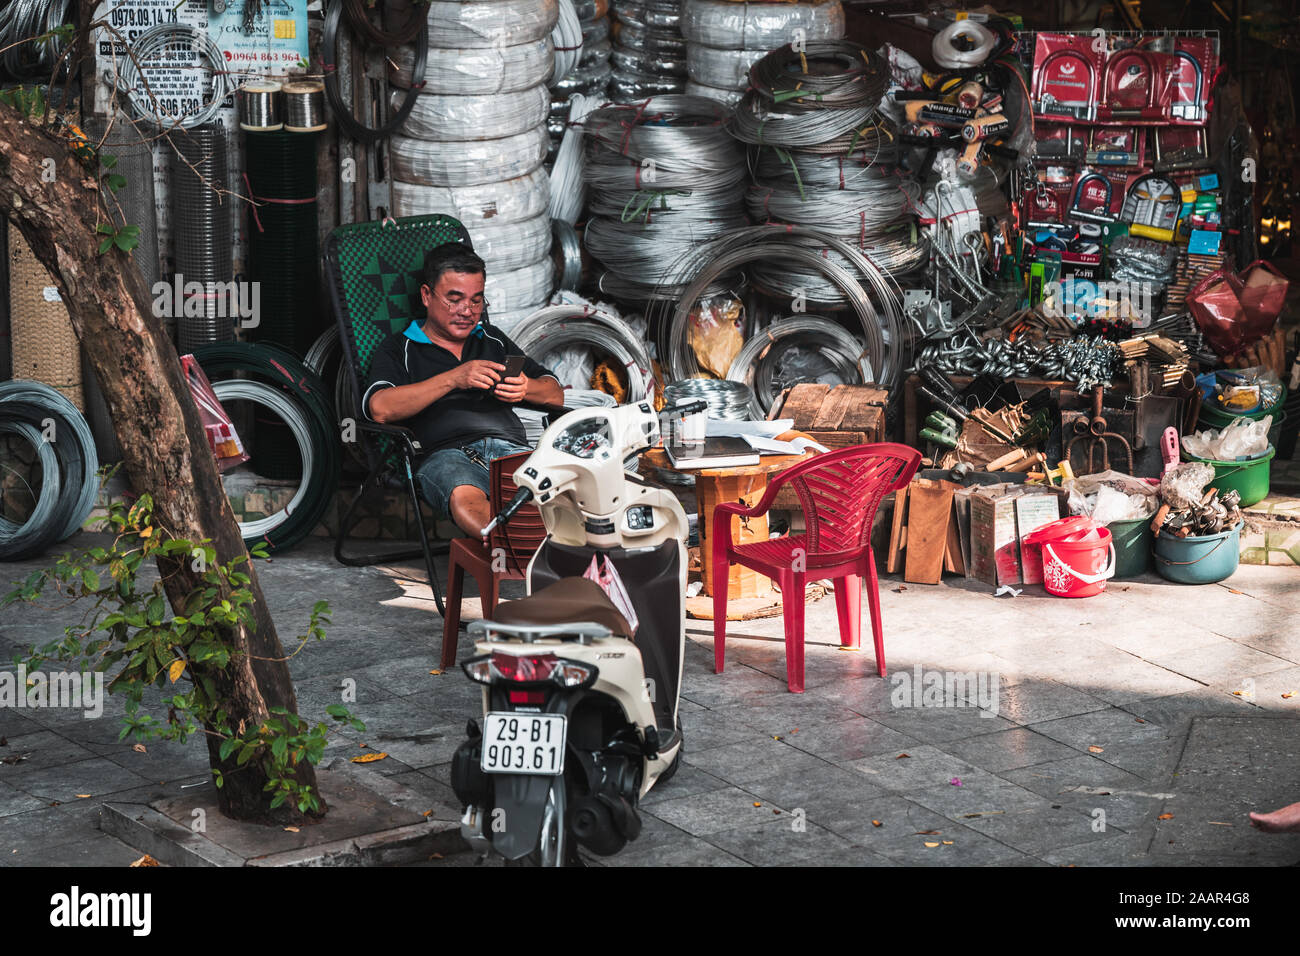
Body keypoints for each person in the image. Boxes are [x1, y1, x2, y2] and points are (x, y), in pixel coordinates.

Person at [364, 242, 563, 537]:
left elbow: (554, 393)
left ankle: (544, 556)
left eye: (476, 300)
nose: (467, 311)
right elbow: (379, 408)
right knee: (464, 494)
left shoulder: (492, 340)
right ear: (426, 296)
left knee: (557, 493)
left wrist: (525, 387)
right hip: (445, 454)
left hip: (509, 449)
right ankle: (513, 550)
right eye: (454, 299)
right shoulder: (400, 348)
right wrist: (454, 378)